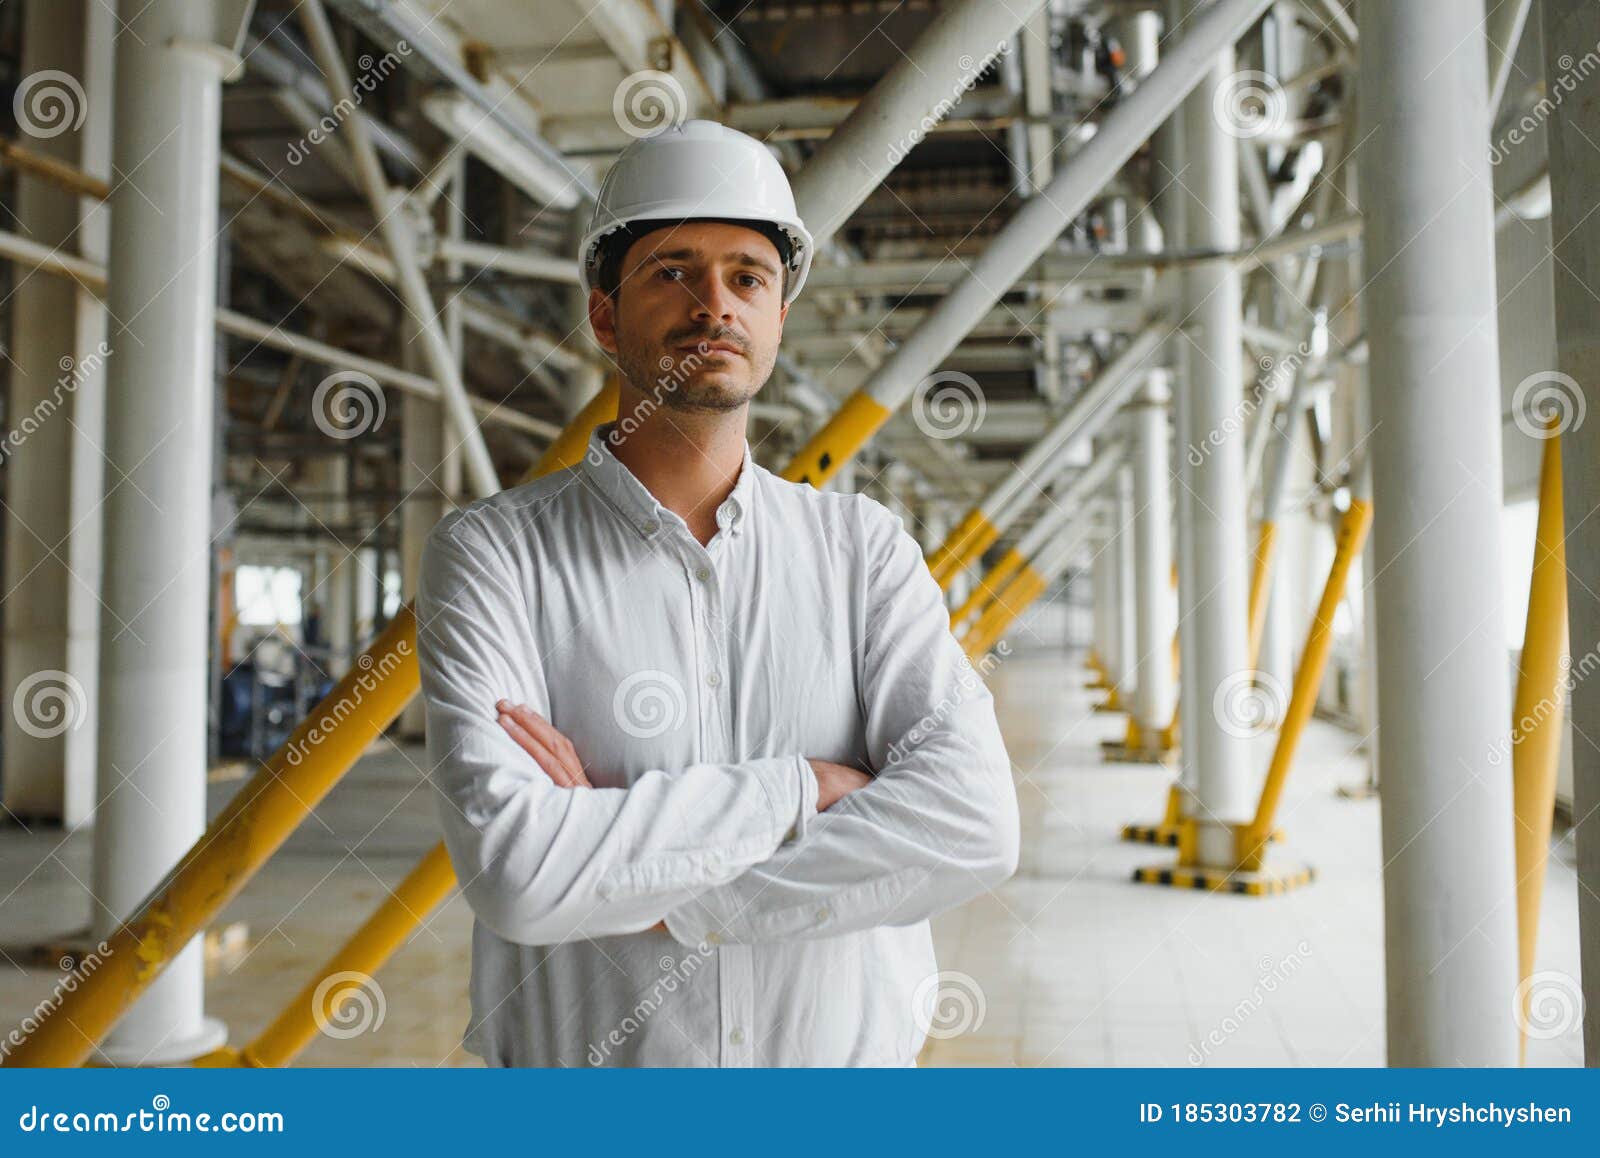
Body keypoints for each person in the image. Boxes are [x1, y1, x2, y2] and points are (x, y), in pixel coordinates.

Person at [416, 119, 1019, 1067]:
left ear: (778, 314)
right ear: (606, 315)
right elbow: (522, 876)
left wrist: (654, 884)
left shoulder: (861, 552)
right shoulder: (496, 554)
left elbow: (973, 823)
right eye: (671, 271)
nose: (714, 305)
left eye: (747, 276)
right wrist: (805, 789)